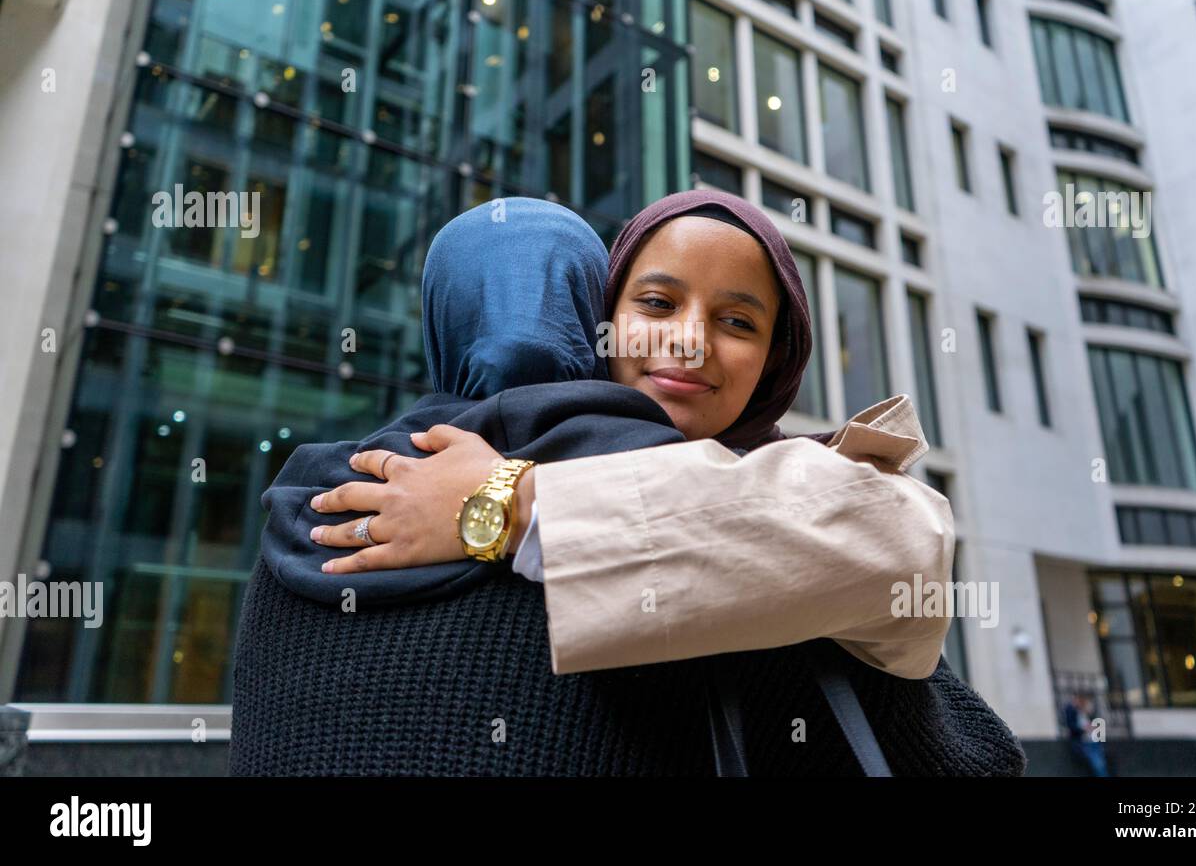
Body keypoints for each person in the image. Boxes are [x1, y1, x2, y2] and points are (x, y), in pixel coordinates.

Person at [229, 192, 1026, 775]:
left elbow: (901, 544)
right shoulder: (398, 490)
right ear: (593, 325)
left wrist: (507, 501)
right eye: (655, 302)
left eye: (739, 322)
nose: (688, 339)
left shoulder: (318, 498)